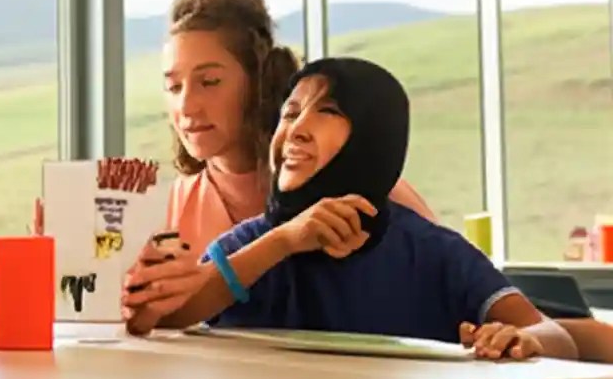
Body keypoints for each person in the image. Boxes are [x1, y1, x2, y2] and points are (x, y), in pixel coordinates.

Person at [124, 57, 578, 361]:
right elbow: (174, 314)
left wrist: (524, 340)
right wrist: (284, 240)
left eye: (328, 111)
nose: (296, 130)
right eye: (290, 113)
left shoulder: (433, 252)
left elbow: (558, 337)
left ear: (373, 137)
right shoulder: (255, 245)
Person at [155, 0, 434, 266]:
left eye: (209, 82)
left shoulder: (362, 185)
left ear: (260, 82)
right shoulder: (168, 216)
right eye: (174, 87)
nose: (187, 106)